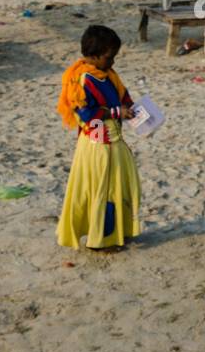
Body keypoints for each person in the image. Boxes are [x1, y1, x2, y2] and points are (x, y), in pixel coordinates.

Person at [56, 25, 142, 251]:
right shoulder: (81, 80)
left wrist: (135, 112)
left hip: (114, 144)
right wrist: (116, 112)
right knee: (101, 194)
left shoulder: (109, 75)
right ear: (93, 56)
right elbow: (85, 115)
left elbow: (123, 98)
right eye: (108, 57)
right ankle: (100, 241)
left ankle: (116, 234)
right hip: (97, 147)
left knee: (118, 190)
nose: (112, 62)